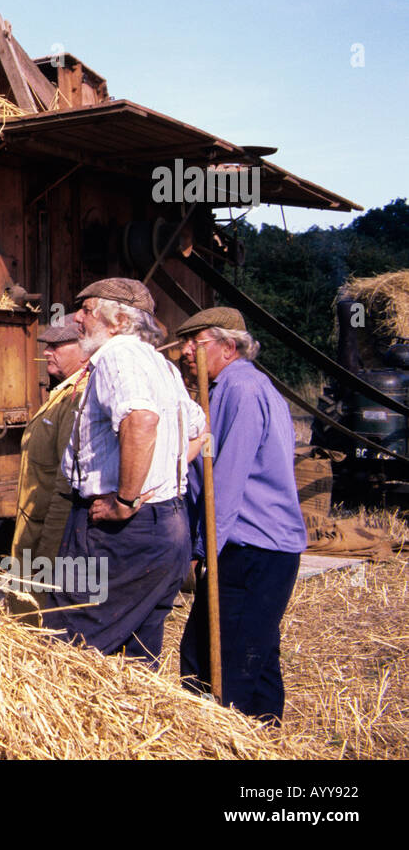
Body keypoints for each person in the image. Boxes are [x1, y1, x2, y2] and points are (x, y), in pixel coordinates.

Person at [46, 278, 206, 665]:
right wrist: (159, 476)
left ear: (117, 319)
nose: (77, 319)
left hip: (118, 531)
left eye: (85, 310)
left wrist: (126, 499)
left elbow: (141, 419)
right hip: (166, 525)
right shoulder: (161, 366)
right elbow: (199, 430)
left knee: (67, 646)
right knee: (134, 658)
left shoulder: (118, 357)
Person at [176, 307, 307, 725]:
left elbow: (225, 479)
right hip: (256, 546)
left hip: (251, 548)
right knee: (257, 654)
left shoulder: (241, 388)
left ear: (229, 347)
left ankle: (228, 744)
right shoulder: (229, 387)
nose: (184, 352)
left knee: (217, 664)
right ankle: (266, 742)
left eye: (194, 344)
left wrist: (202, 549)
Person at [6, 319, 90, 618]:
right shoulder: (63, 391)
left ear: (85, 351)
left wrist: (49, 551)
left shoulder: (78, 395)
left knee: (37, 615)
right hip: (33, 526)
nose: (47, 352)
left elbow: (66, 482)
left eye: (56, 346)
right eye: (46, 345)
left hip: (48, 532)